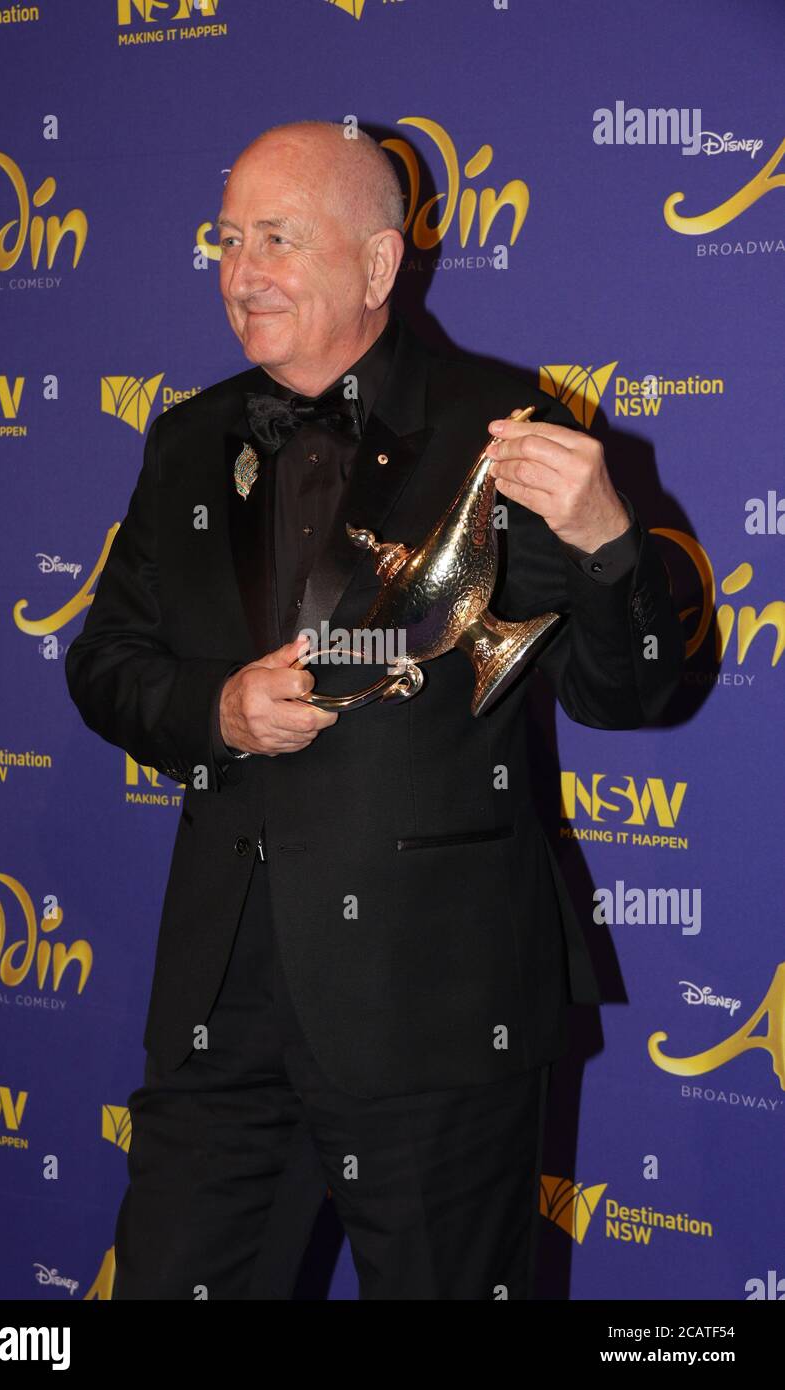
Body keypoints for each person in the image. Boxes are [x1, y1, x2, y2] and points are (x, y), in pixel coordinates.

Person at [65, 120, 684, 1300]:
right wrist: (217, 710)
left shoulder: (504, 425)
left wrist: (610, 544)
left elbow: (630, 691)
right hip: (223, 1016)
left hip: (436, 1016)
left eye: (277, 240)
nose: (240, 271)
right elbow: (105, 663)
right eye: (227, 239)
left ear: (377, 264)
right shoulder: (189, 440)